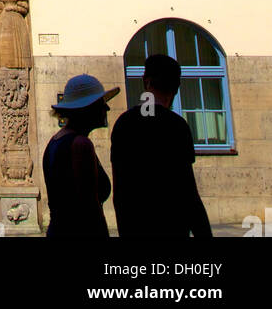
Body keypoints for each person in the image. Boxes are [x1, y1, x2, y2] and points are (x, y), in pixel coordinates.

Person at [110, 53, 212, 239]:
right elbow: (188, 193)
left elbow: (120, 192)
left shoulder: (124, 124)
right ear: (177, 88)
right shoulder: (177, 126)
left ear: (146, 82)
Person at [43, 74, 118, 238]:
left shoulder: (55, 141)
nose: (107, 109)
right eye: (101, 104)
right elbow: (90, 207)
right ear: (88, 108)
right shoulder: (80, 144)